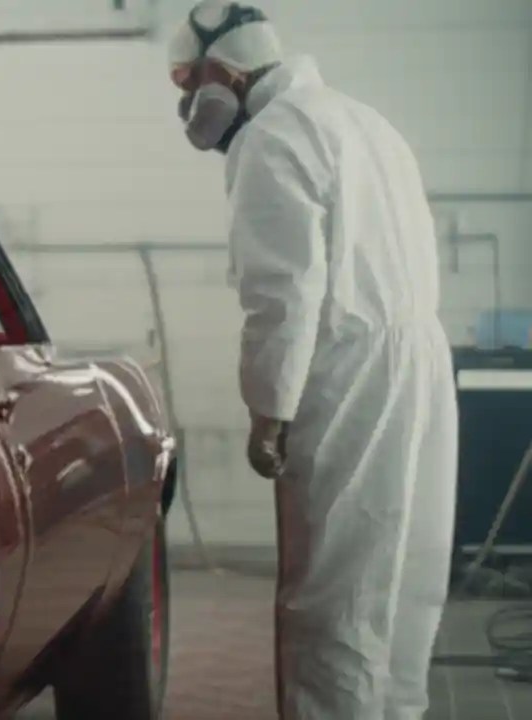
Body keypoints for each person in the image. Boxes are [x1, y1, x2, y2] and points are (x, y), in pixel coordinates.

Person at [167, 3, 460, 719]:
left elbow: (285, 293)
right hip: (420, 359)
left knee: (333, 596)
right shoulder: (364, 121)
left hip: (348, 373)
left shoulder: (271, 137)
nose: (184, 99)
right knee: (403, 583)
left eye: (185, 78)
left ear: (224, 72)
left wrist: (269, 412)